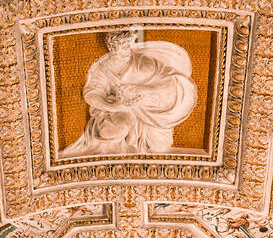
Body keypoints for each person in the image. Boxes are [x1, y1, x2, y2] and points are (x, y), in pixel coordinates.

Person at [61, 26, 198, 157]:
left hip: (148, 110)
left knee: (160, 147)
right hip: (119, 110)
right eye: (125, 48)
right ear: (114, 49)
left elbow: (169, 83)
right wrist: (113, 106)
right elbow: (91, 94)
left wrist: (142, 91)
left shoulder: (143, 63)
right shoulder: (103, 67)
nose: (129, 51)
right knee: (110, 132)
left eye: (129, 46)